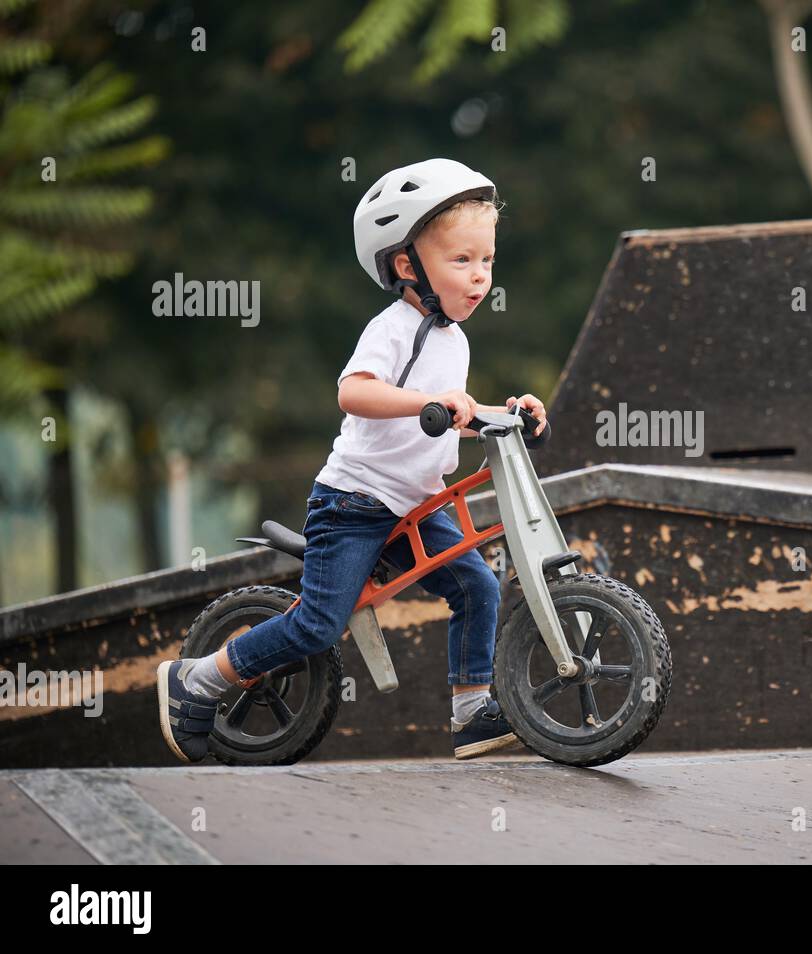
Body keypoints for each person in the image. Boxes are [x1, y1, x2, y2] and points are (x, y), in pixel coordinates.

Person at [158, 158, 547, 763]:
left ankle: (473, 714)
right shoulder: (392, 327)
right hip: (356, 503)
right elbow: (355, 392)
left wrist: (511, 411)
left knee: (477, 585)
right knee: (317, 625)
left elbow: (444, 416)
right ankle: (197, 678)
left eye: (487, 261)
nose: (479, 278)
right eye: (462, 261)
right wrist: (433, 402)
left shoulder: (455, 338)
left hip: (413, 502)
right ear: (406, 264)